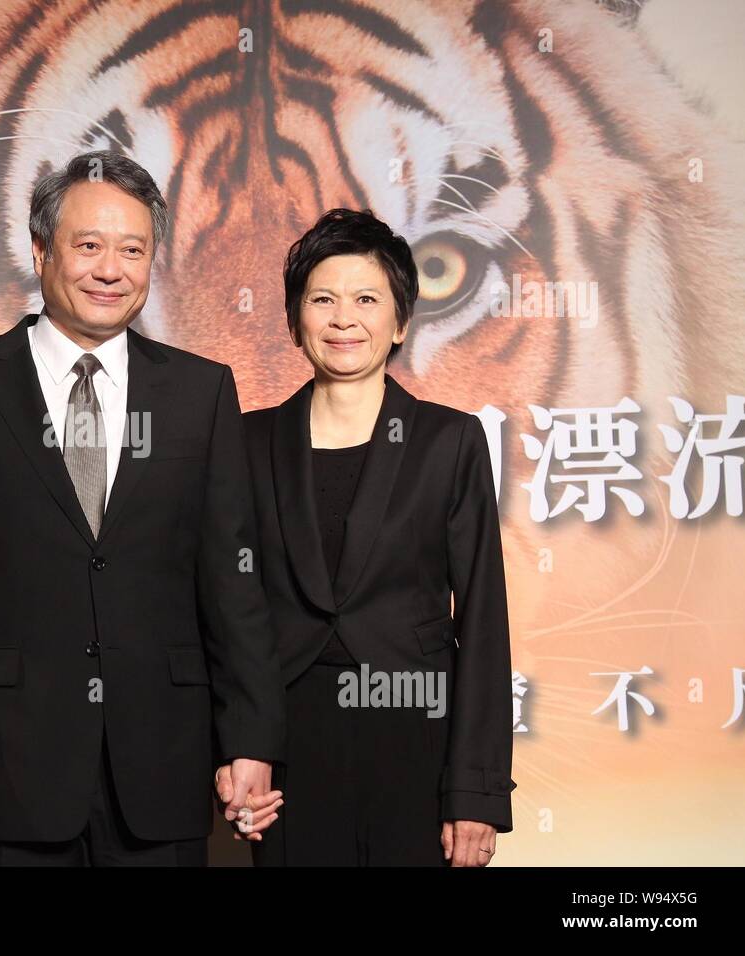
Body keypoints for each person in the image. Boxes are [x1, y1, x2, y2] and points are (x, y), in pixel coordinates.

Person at [0, 150, 285, 866]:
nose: (111, 269)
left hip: (163, 763)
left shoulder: (201, 394)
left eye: (133, 250)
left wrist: (249, 740)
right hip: (8, 763)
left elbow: (234, 585)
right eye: (89, 245)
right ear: (39, 250)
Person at [222, 207, 516, 866]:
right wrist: (236, 750)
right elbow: (226, 614)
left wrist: (475, 791)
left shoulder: (450, 440)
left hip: (416, 739)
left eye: (366, 299)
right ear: (296, 320)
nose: (343, 317)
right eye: (322, 299)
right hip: (288, 748)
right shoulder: (246, 441)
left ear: (400, 321)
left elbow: (483, 620)